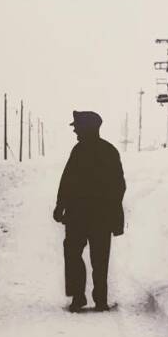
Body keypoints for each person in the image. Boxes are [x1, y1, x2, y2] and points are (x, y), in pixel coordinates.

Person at [52, 110, 126, 313]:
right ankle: (99, 300)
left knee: (74, 254)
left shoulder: (79, 151)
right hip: (99, 216)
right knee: (100, 258)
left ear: (87, 128)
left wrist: (61, 205)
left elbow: (67, 182)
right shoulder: (109, 150)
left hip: (79, 216)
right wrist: (113, 211)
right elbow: (119, 186)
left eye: (77, 126)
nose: (74, 130)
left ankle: (78, 298)